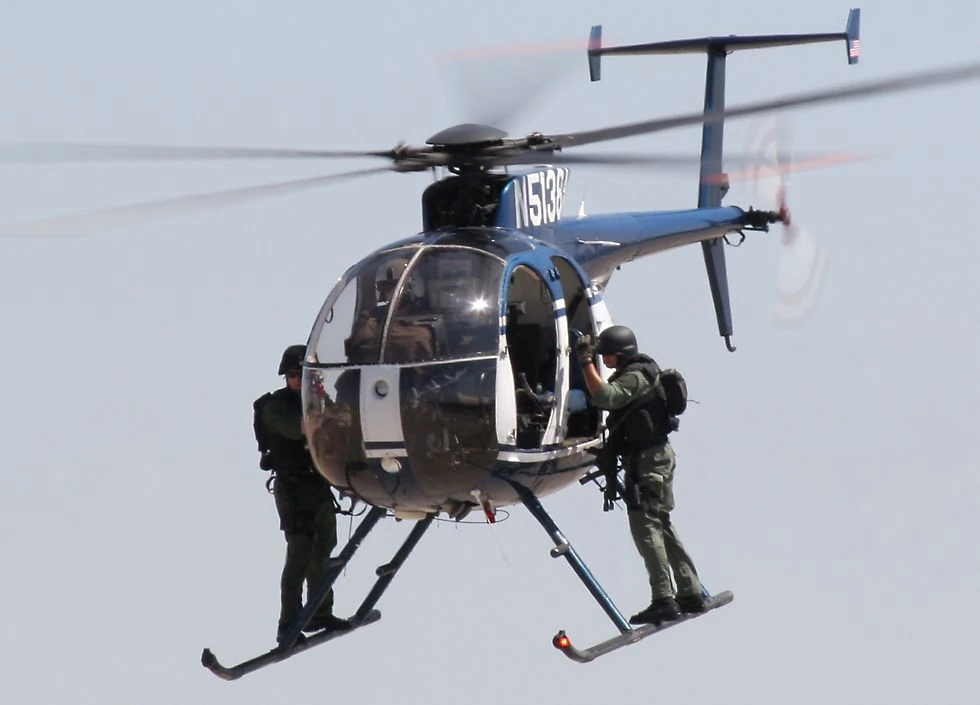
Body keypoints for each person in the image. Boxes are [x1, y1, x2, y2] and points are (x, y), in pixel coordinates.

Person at [575, 325, 707, 625]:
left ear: (618, 355)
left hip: (648, 462)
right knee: (662, 524)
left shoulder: (635, 376)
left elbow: (605, 397)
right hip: (654, 458)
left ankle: (663, 598)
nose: (603, 359)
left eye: (605, 355)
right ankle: (690, 592)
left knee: (646, 528)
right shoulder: (642, 370)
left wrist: (585, 363)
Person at [259, 344, 352, 643]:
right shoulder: (275, 406)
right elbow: (302, 427)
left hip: (320, 486)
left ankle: (319, 612)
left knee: (323, 553)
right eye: (293, 375)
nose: (297, 380)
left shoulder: (323, 403)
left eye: (304, 375)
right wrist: (332, 416)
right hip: (293, 489)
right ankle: (288, 622)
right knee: (299, 553)